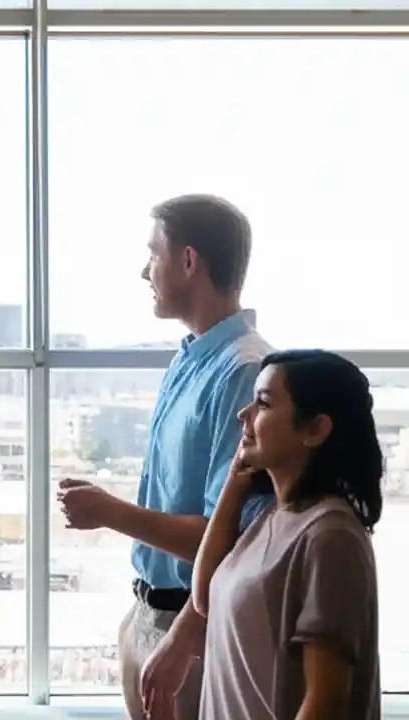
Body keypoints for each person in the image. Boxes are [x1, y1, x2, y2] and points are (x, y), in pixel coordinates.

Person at [55, 194, 274, 720]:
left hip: (193, 630)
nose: (143, 271)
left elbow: (227, 537)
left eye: (153, 254)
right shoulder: (190, 359)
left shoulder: (242, 371)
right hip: (148, 614)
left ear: (189, 261)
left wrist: (110, 513)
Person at [192, 350, 381, 719]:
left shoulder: (329, 535)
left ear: (315, 430)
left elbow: (324, 701)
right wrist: (235, 481)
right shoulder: (274, 515)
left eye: (263, 403)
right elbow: (205, 598)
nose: (243, 415)